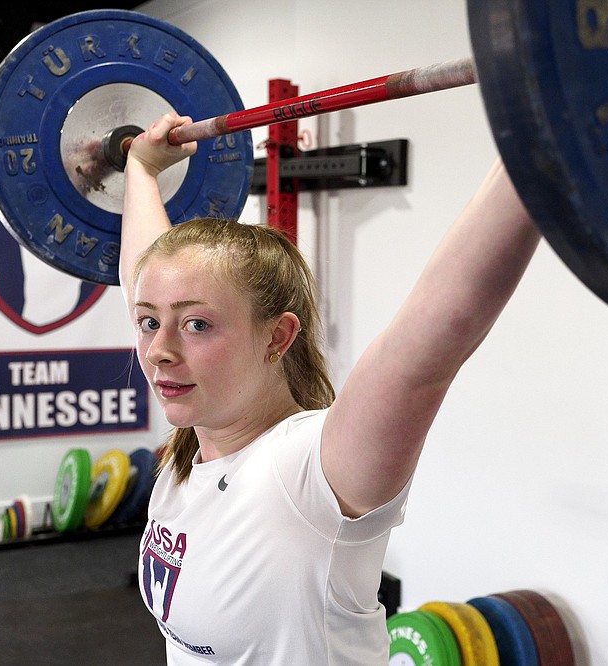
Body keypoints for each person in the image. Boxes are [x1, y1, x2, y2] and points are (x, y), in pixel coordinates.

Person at [121, 112, 541, 665]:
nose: (159, 349)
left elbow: (432, 345)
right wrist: (140, 168)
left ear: (278, 337)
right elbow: (144, 277)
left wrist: (539, 131)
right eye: (150, 322)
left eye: (197, 324)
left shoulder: (308, 474)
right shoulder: (188, 457)